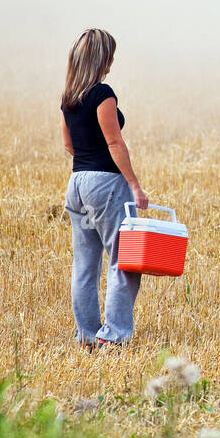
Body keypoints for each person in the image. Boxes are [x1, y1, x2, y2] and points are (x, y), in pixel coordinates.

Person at [59, 29, 149, 349]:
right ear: (100, 59)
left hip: (76, 184)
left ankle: (86, 335)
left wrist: (87, 165)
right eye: (110, 56)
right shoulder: (102, 94)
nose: (111, 63)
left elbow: (68, 144)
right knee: (125, 261)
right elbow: (114, 141)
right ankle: (113, 336)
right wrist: (134, 186)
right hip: (106, 183)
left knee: (85, 264)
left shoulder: (69, 96)